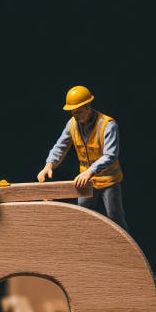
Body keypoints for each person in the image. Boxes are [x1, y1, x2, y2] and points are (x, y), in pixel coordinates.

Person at [37, 86, 129, 231]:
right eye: (73, 113)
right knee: (82, 217)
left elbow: (110, 155)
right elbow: (60, 146)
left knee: (115, 220)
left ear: (88, 107)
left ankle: (124, 250)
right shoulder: (72, 124)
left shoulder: (108, 125)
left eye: (78, 112)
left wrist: (90, 171)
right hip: (86, 181)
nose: (75, 116)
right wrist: (49, 165)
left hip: (108, 180)